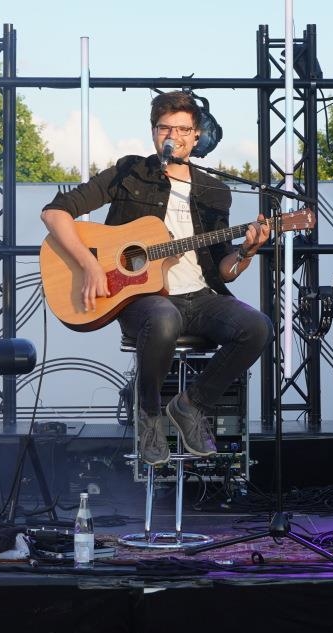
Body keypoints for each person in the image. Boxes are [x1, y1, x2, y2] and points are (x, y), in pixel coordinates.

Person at [40, 91, 272, 467]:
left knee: (257, 327)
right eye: (165, 128)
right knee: (165, 317)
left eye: (182, 129)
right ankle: (148, 414)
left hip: (201, 296)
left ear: (196, 137)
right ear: (153, 132)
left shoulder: (215, 192)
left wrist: (247, 251)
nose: (173, 136)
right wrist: (90, 265)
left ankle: (191, 405)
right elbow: (54, 213)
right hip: (141, 300)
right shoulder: (130, 173)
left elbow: (223, 269)